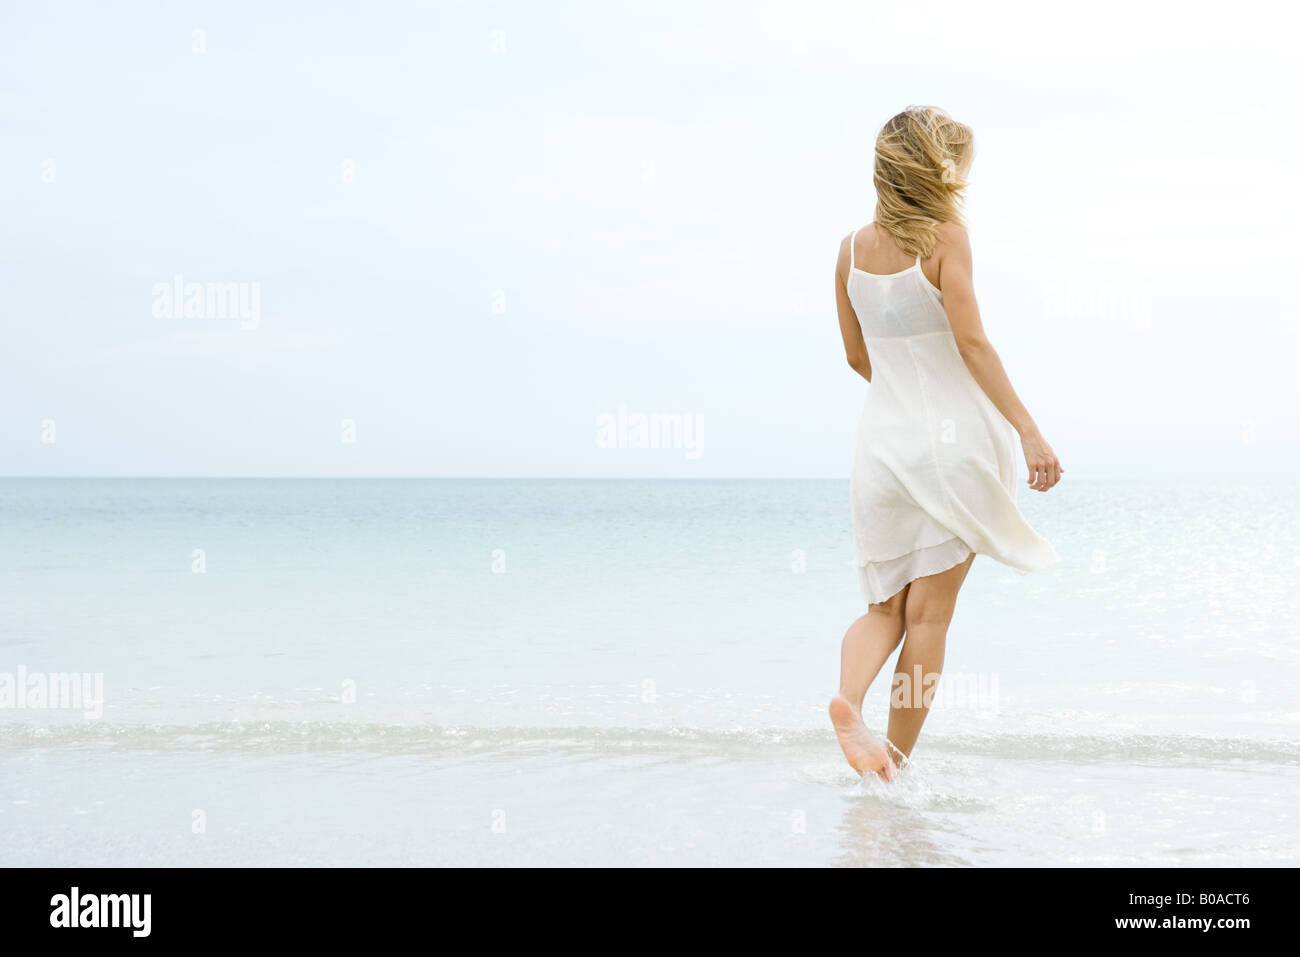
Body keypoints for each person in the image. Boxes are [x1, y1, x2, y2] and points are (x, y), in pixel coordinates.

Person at [829, 105, 1062, 781]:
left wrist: (903, 397)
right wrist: (1029, 429)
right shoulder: (946, 238)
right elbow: (973, 342)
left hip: (880, 449)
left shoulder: (848, 251)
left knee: (883, 608)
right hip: (952, 450)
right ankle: (894, 764)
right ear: (937, 171)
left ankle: (849, 700)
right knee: (928, 618)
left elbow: (854, 355)